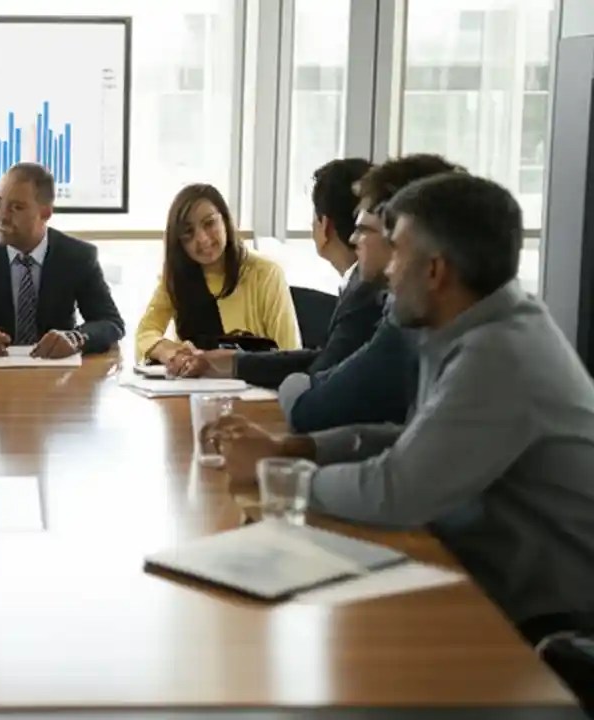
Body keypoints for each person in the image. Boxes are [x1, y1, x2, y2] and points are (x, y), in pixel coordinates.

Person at [202, 172, 594, 702]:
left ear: (434, 271)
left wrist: (279, 476)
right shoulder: (470, 329)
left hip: (543, 621)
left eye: (398, 253)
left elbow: (397, 490)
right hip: (488, 578)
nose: (386, 271)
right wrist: (293, 448)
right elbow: (410, 439)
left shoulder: (499, 354)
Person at [275, 154, 462, 432]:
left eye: (363, 229)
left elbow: (311, 409)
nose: (353, 238)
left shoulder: (410, 322)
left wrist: (295, 386)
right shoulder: (428, 317)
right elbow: (400, 442)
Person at [167, 158, 383, 388]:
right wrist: (230, 362)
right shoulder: (361, 285)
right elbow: (324, 359)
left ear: (325, 226)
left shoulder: (367, 293)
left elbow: (324, 377)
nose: (201, 239)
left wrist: (296, 401)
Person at [0, 163, 124, 357]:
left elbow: (111, 323)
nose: (1, 217)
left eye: (16, 208)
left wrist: (76, 338)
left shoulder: (77, 256)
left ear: (45, 212)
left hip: (56, 374)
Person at [134, 183, 300, 365]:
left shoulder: (267, 274)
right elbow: (145, 334)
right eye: (188, 232)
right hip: (194, 387)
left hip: (255, 386)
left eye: (209, 223)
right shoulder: (177, 278)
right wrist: (168, 350)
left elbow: (290, 354)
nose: (202, 239)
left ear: (226, 221)